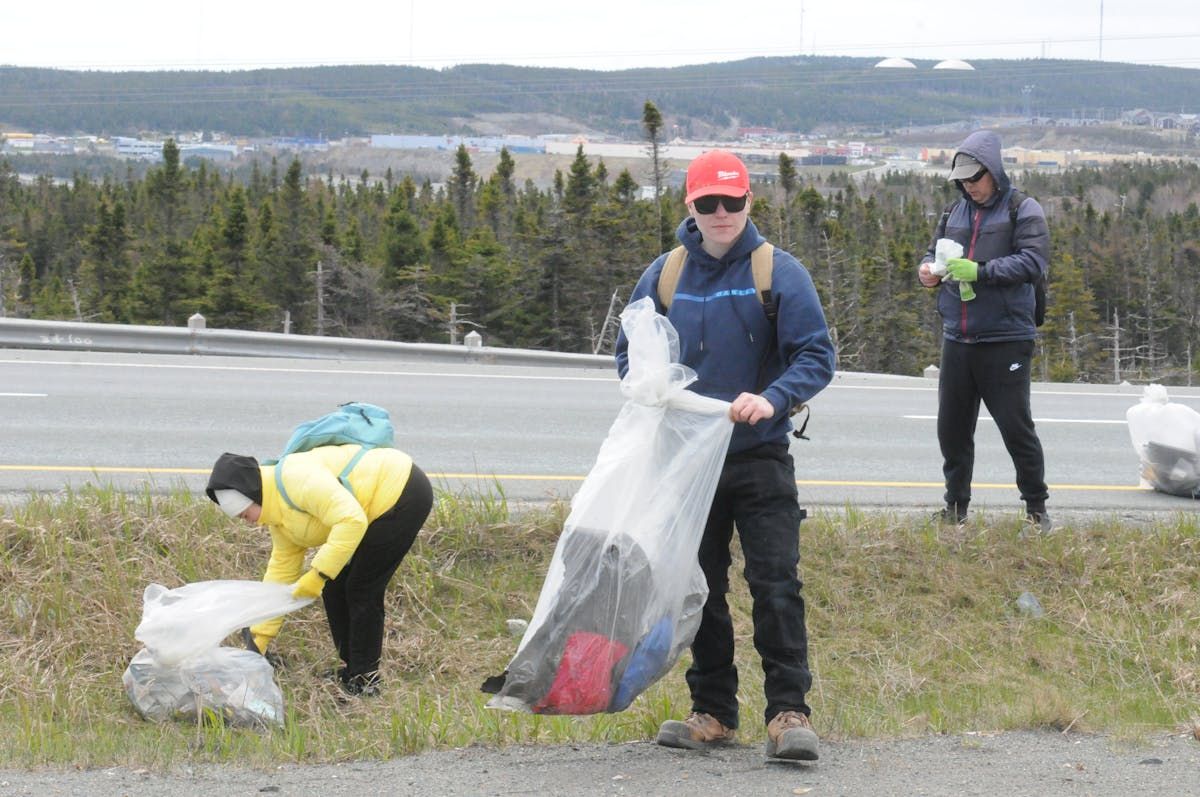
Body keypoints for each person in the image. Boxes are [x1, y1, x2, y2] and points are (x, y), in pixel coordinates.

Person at [614, 149, 836, 761]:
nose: (720, 213)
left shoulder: (777, 271)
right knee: (699, 587)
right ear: (689, 204)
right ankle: (713, 711)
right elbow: (630, 353)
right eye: (706, 202)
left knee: (776, 585)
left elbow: (816, 355)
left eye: (731, 201)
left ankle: (789, 713)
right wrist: (650, 388)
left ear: (749, 202)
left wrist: (773, 398)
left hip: (759, 455)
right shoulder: (664, 275)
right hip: (685, 463)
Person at [205, 444, 433, 696]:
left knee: (361, 589)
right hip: (367, 509)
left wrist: (318, 574)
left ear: (253, 495)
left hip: (401, 492)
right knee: (335, 587)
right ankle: (351, 669)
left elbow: (351, 520)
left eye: (245, 514)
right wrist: (258, 640)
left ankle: (365, 682)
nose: (246, 521)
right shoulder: (278, 520)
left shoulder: (296, 479)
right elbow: (279, 578)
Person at [918, 130, 1052, 531]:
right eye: (962, 180)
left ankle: (1036, 509)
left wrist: (982, 272)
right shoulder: (953, 213)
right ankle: (955, 508)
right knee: (953, 430)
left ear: (993, 171)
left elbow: (1033, 262)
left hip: (1006, 338)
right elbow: (933, 252)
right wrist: (928, 272)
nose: (969, 186)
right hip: (957, 336)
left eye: (975, 178)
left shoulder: (1022, 209)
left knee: (1016, 427)